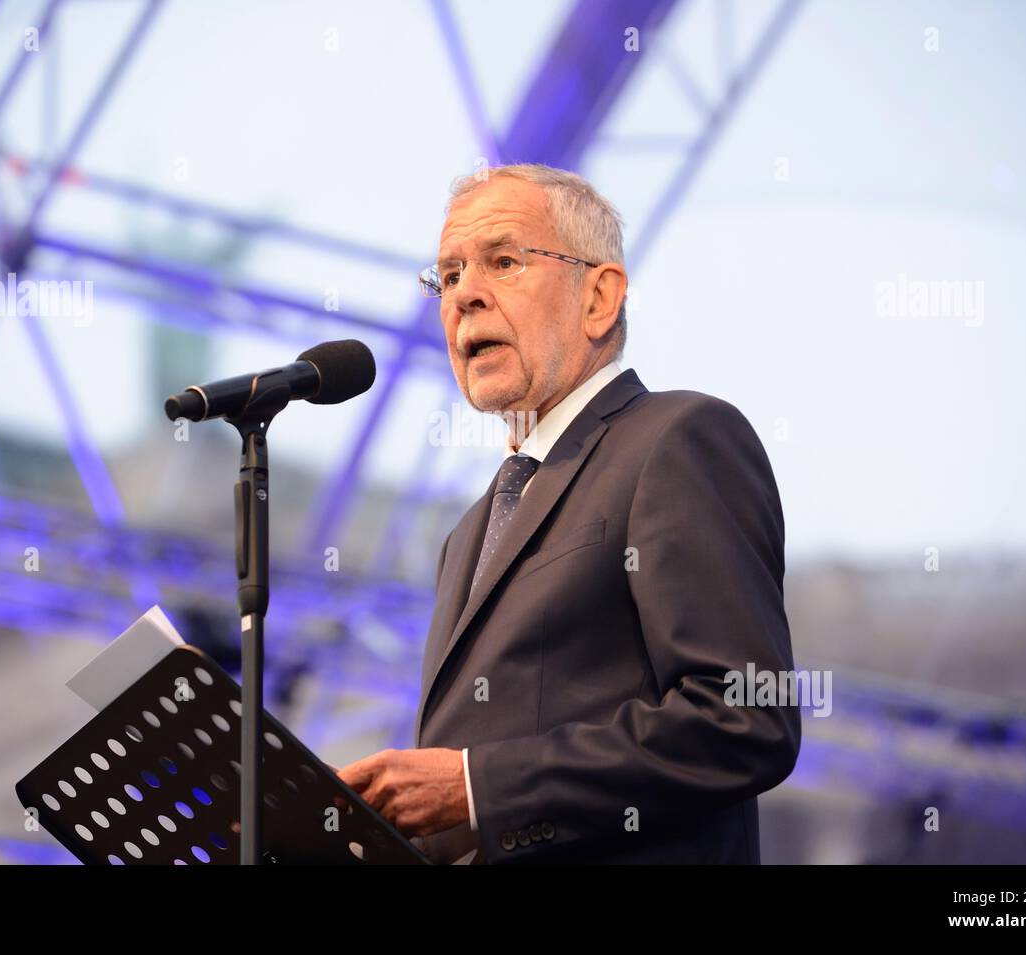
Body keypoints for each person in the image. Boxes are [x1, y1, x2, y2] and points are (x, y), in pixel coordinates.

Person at [339, 163, 800, 864]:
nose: (464, 295)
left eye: (502, 260)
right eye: (449, 274)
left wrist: (477, 786)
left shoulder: (677, 439)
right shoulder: (468, 535)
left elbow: (744, 716)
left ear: (599, 297)